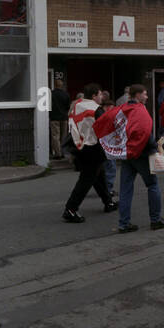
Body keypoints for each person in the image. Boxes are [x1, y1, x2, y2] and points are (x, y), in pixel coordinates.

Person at [96, 84, 164, 233]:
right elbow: (143, 132)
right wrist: (155, 148)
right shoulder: (140, 110)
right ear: (138, 95)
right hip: (141, 153)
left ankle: (124, 223)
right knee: (152, 185)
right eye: (145, 94)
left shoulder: (122, 108)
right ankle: (156, 220)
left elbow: (112, 122)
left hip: (127, 154)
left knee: (125, 189)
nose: (147, 97)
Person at [61, 83, 116, 223]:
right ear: (94, 96)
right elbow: (106, 127)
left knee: (98, 174)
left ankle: (108, 202)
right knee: (87, 178)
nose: (101, 96)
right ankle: (71, 208)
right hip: (93, 146)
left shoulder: (77, 104)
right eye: (99, 94)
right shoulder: (96, 109)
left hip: (79, 144)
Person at [49, 79, 70, 159]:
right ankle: (63, 152)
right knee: (63, 136)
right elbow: (68, 107)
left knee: (55, 136)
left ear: (55, 85)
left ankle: (58, 154)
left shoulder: (51, 94)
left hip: (54, 118)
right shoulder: (66, 94)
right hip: (64, 118)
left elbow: (48, 106)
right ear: (62, 86)